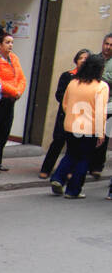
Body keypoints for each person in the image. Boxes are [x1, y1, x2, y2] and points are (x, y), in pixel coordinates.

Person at [49, 54, 108, 199]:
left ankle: (58, 177)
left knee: (71, 154)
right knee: (84, 159)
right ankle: (73, 190)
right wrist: (101, 132)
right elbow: (101, 112)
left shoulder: (73, 83)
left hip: (71, 125)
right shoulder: (101, 86)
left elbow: (65, 104)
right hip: (90, 129)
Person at [39, 49, 88, 179]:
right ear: (76, 60)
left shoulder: (89, 80)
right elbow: (59, 94)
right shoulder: (67, 76)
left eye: (86, 58)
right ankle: (46, 169)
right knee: (58, 141)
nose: (83, 60)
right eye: (81, 58)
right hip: (65, 114)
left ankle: (70, 171)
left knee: (74, 146)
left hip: (80, 116)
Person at [0, 27, 26, 172]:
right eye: (7, 42)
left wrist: (19, 91)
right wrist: (15, 91)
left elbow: (21, 77)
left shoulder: (14, 58)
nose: (10, 45)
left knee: (4, 131)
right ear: (0, 45)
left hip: (11, 99)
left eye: (12, 42)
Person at [88, 33, 112, 177]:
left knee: (104, 134)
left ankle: (97, 165)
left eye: (111, 45)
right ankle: (87, 163)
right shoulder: (94, 59)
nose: (108, 47)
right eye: (106, 44)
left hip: (108, 103)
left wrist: (99, 76)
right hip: (92, 102)